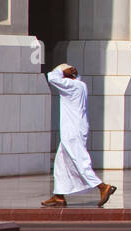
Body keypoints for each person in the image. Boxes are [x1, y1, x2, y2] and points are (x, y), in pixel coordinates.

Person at [42, 63, 116, 208]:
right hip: (75, 128)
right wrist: (69, 72)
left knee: (79, 159)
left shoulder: (71, 85)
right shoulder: (80, 84)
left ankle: (102, 186)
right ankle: (59, 195)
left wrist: (60, 70)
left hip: (72, 130)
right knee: (60, 163)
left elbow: (51, 77)